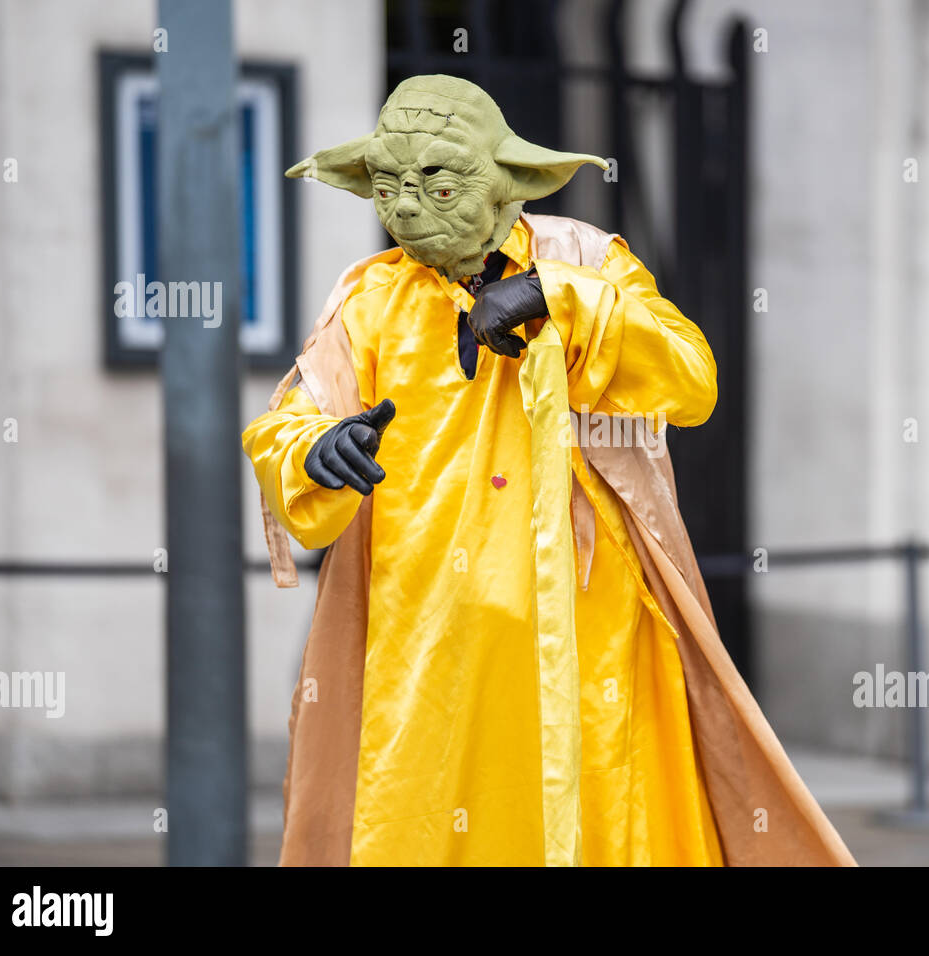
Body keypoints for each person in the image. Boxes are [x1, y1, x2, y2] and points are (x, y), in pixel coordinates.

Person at [243, 74, 855, 867]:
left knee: (596, 817)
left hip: (586, 636)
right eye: (388, 186)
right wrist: (313, 451)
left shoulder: (583, 258)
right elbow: (289, 417)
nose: (404, 206)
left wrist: (551, 299)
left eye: (436, 182)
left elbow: (690, 379)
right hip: (429, 646)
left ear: (507, 179)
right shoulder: (371, 301)